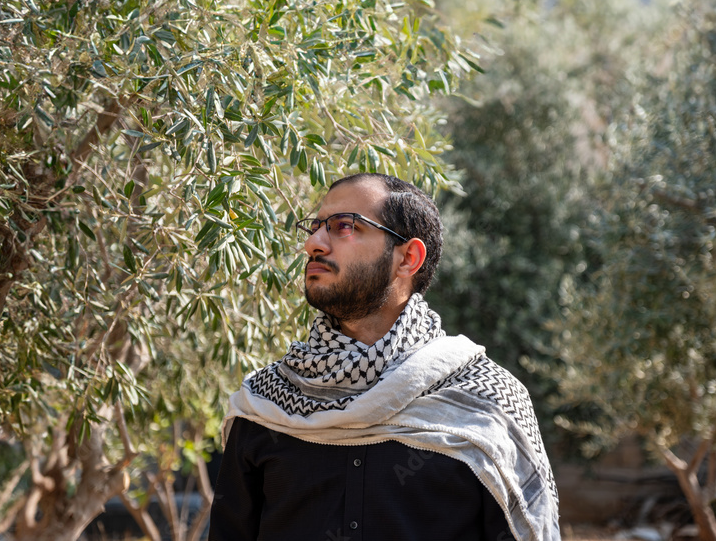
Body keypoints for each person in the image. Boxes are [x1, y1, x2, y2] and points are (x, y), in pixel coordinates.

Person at [209, 173, 560, 541]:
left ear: (408, 258)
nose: (313, 243)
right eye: (314, 227)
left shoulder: (486, 402)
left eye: (343, 226)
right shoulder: (266, 403)